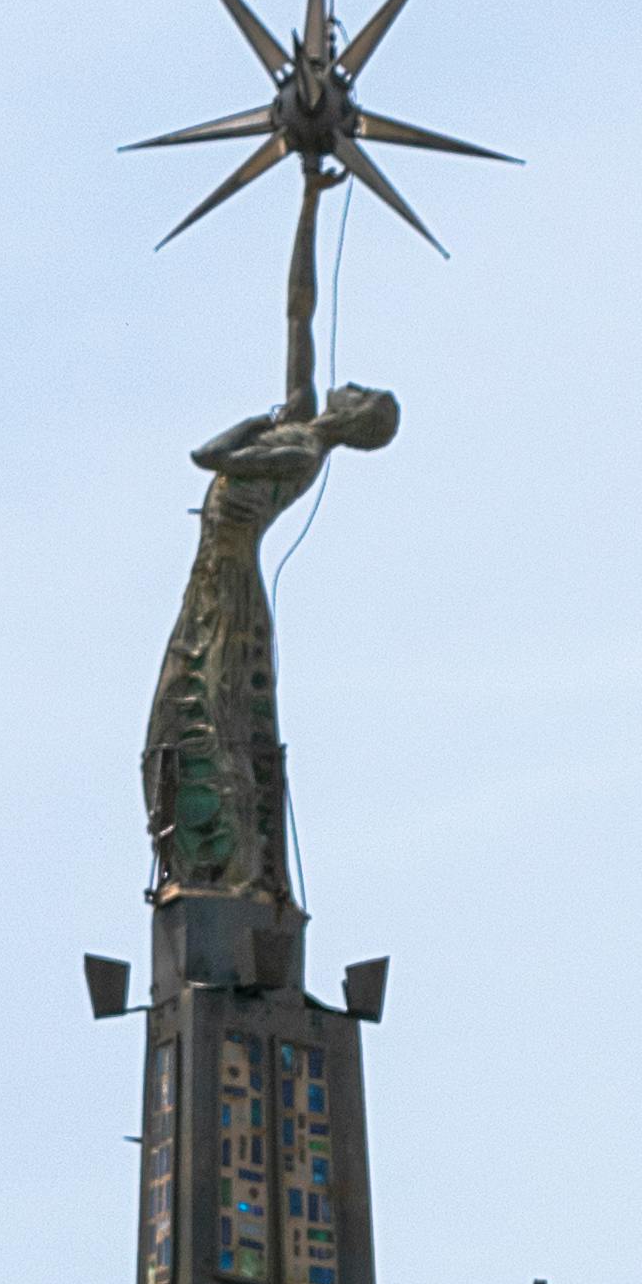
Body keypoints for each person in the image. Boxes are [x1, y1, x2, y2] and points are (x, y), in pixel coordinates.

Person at [143, 381, 399, 899]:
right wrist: (300, 308)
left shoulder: (300, 446)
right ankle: (205, 859)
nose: (348, 383)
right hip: (209, 586)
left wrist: (256, 423)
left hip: (229, 593)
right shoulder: (303, 424)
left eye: (361, 391)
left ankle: (241, 870)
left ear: (355, 416)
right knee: (178, 717)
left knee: (218, 721)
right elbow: (299, 324)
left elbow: (210, 455)